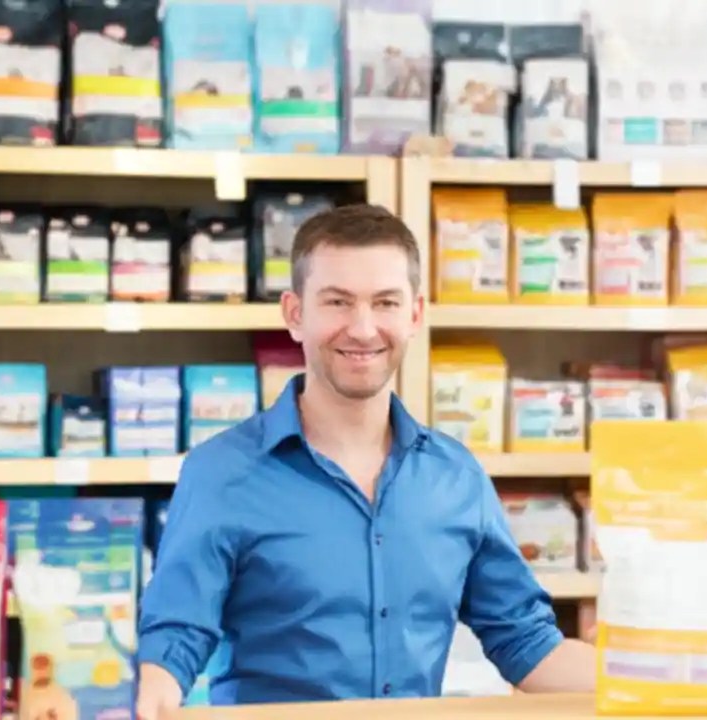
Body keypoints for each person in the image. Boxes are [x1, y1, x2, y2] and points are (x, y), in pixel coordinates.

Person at [136, 204, 596, 719]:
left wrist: (663, 679)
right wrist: (154, 693)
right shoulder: (223, 473)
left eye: (385, 303)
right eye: (337, 302)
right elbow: (176, 634)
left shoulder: (455, 477)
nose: (362, 328)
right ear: (294, 313)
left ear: (415, 315)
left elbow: (526, 643)